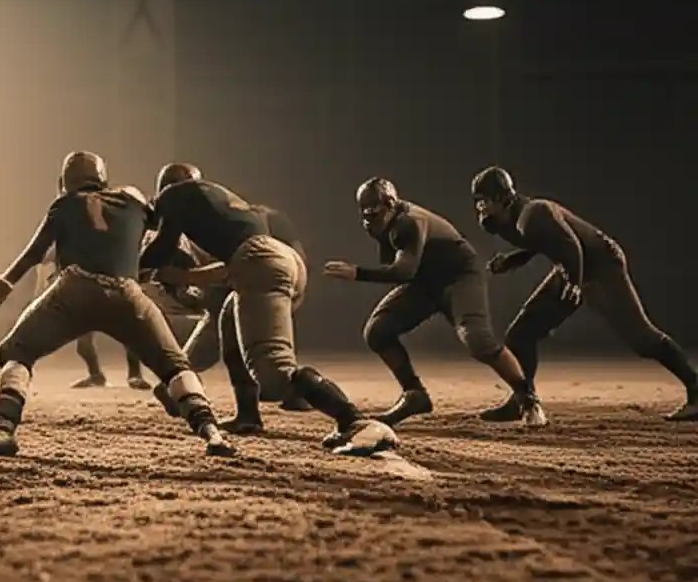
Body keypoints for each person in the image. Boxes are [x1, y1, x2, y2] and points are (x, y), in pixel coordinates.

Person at [0, 151, 236, 457]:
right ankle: (212, 433)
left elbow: (35, 252)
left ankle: (2, 425)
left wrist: (7, 280)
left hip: (75, 288)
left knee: (15, 350)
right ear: (104, 180)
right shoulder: (133, 200)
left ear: (63, 183)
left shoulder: (64, 204)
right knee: (174, 365)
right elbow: (164, 222)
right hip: (126, 292)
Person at [142, 164, 393, 453]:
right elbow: (235, 266)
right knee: (229, 323)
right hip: (275, 260)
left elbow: (161, 248)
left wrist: (129, 269)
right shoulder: (222, 201)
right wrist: (184, 278)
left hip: (260, 265)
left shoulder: (174, 194)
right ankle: (248, 416)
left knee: (274, 370)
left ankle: (354, 421)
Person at [472, 166, 698, 421]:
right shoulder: (514, 219)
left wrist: (575, 283)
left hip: (600, 264)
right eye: (478, 202)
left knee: (642, 339)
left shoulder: (532, 214)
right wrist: (513, 261)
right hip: (571, 267)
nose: (480, 208)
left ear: (503, 198)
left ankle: (696, 388)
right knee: (521, 333)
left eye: (485, 201)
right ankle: (522, 399)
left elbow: (572, 246)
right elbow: (544, 242)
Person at [323, 177, 546, 427]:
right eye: (368, 215)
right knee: (377, 331)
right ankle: (414, 394)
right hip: (426, 282)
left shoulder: (408, 222)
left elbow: (402, 272)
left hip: (458, 276)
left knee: (478, 341)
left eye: (376, 213)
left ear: (391, 204)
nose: (372, 220)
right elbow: (401, 268)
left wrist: (358, 273)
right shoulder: (383, 224)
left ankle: (527, 399)